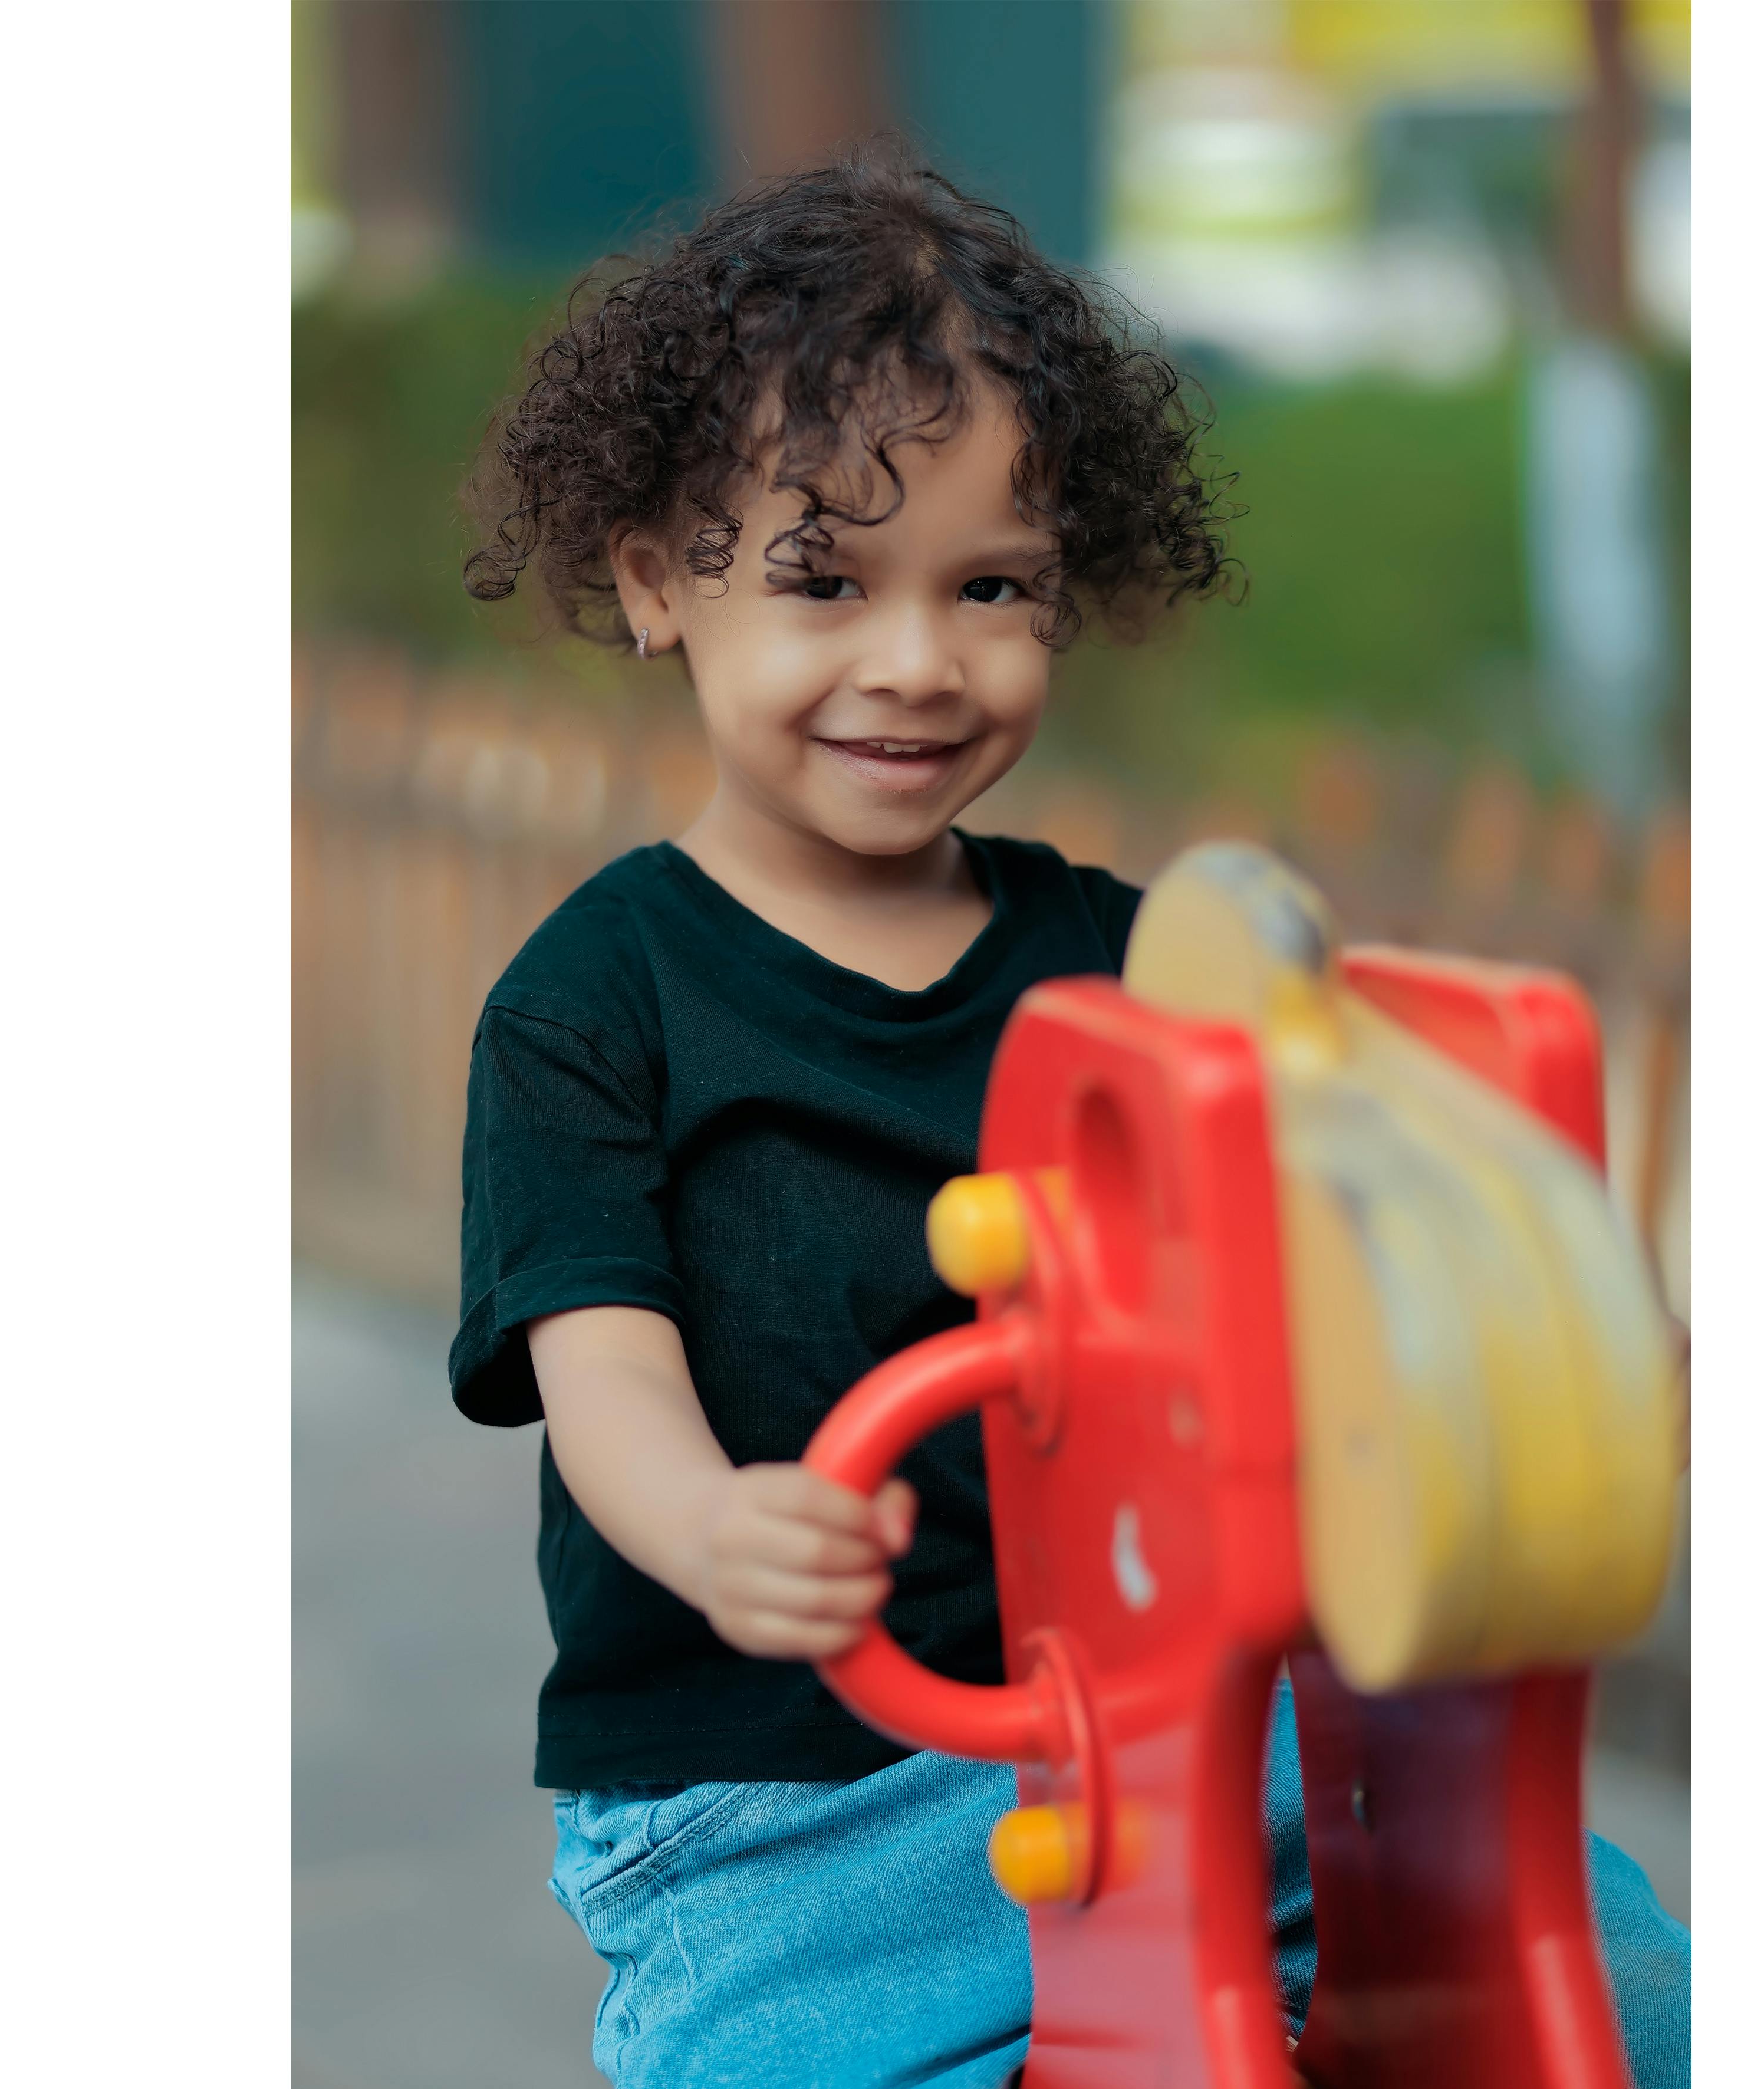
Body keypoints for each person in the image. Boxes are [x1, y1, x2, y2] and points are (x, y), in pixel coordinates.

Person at [449, 142, 1687, 2089]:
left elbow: (1334, 1252)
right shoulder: (593, 1005)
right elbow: (599, 1362)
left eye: (994, 587)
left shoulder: (1125, 966)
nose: (920, 661)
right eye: (825, 579)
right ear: (655, 581)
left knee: (1607, 1982)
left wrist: (1545, 1328)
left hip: (1183, 1730)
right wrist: (711, 1522)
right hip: (791, 1809)